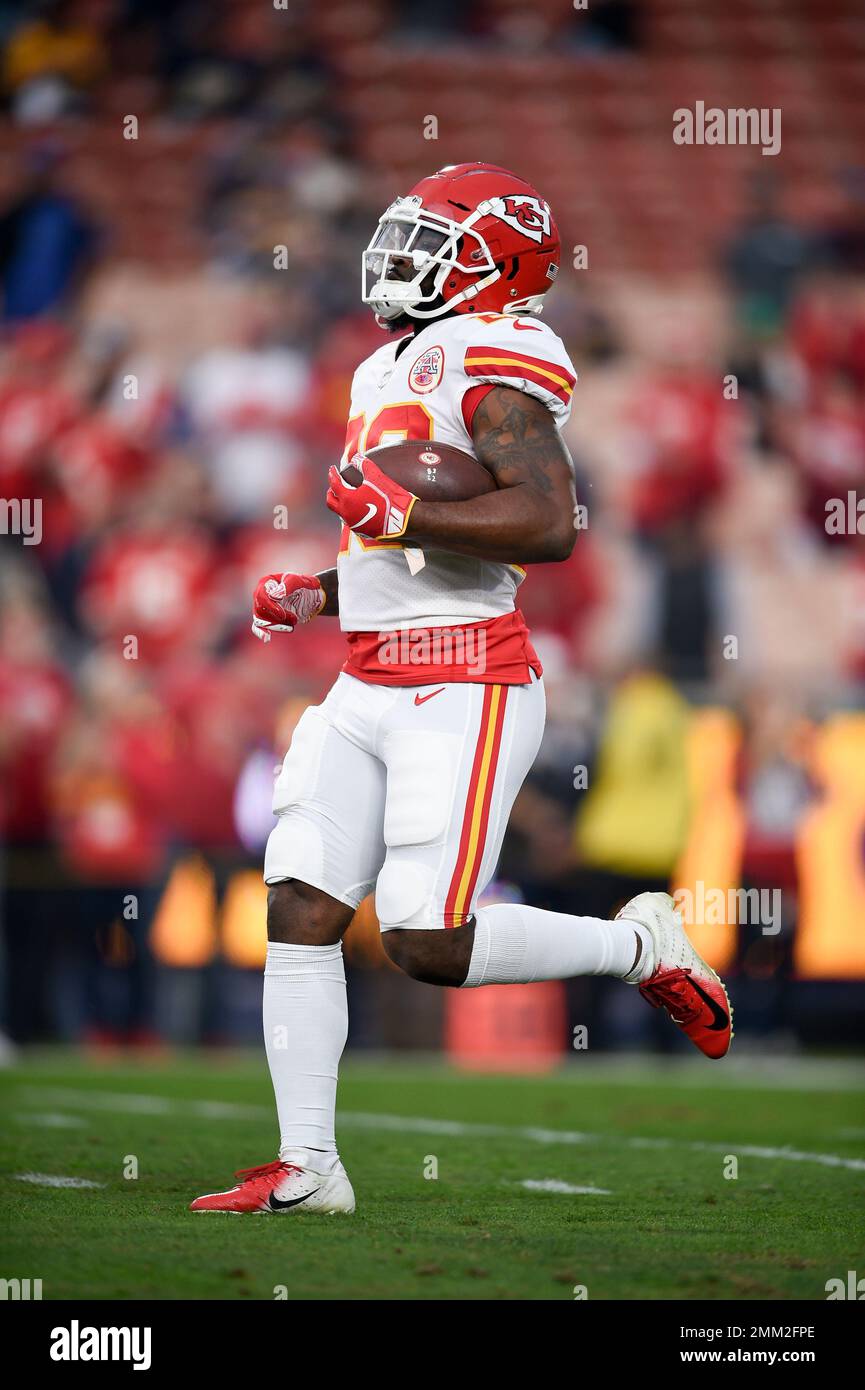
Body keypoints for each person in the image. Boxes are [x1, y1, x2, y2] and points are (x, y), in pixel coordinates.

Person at [189, 163, 732, 1217]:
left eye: (430, 241)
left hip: (465, 677)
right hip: (367, 674)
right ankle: (309, 1167)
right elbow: (407, 549)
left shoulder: (499, 352)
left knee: (424, 939)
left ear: (494, 265)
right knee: (298, 899)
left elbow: (546, 523)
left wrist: (403, 515)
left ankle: (636, 945)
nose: (399, 259)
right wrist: (322, 587)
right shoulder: (383, 366)